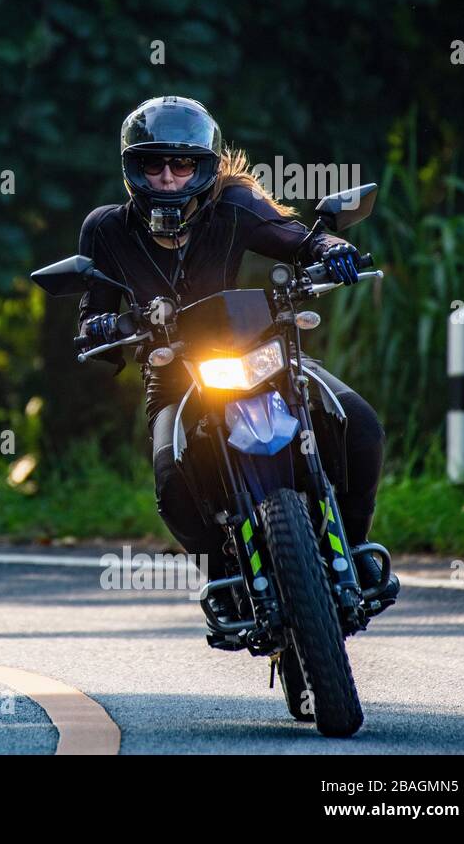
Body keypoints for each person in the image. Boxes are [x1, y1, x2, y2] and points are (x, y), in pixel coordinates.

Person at [76, 95, 398, 609]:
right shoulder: (106, 229)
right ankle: (223, 579)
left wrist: (330, 250)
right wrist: (99, 328)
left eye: (182, 162)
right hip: (174, 376)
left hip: (257, 354)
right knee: (170, 481)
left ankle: (355, 547)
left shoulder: (234, 206)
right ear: (131, 167)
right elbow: (93, 315)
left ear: (204, 166)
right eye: (152, 162)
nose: (167, 176)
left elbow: (295, 238)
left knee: (359, 425)